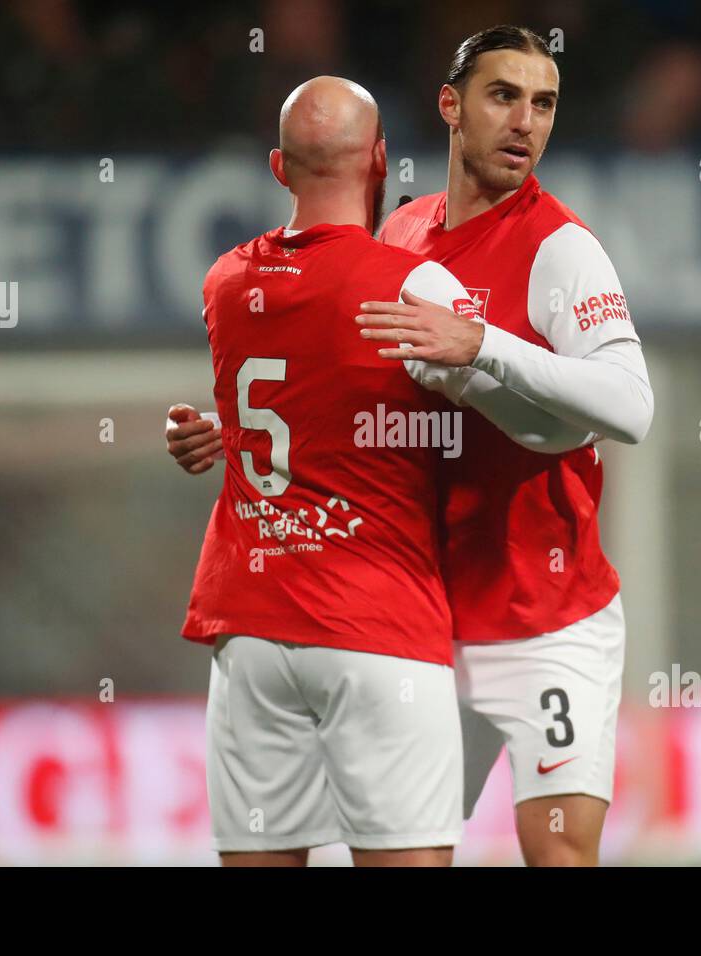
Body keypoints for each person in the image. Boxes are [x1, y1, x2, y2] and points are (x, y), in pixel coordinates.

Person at [357, 25, 655, 867]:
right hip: (422, 618)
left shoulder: (562, 250)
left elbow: (631, 406)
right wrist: (232, 443)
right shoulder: (401, 236)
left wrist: (481, 343)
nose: (525, 121)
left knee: (557, 855)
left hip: (546, 622)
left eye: (544, 103)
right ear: (450, 106)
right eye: (503, 96)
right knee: (396, 856)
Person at [182, 75, 479, 867]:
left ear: (280, 168)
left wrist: (222, 433)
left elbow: (303, 398)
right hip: (376, 627)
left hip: (250, 625)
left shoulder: (226, 283)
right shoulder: (416, 288)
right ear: (382, 160)